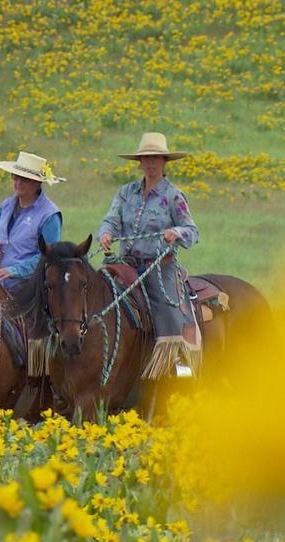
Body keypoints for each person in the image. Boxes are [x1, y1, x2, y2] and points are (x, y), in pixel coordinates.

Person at [97, 132, 201, 379]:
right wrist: (106, 234)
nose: (150, 163)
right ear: (140, 162)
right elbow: (110, 220)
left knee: (169, 310)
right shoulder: (126, 193)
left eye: (155, 158)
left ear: (164, 161)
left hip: (159, 267)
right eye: (146, 158)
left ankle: (180, 366)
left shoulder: (174, 196)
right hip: (125, 265)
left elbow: (192, 231)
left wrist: (176, 233)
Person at [0, 151, 65, 294]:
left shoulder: (50, 215)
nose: (18, 183)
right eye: (15, 177)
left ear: (37, 183)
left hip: (30, 288)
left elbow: (49, 257)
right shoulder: (5, 206)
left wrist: (14, 271)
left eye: (24, 180)